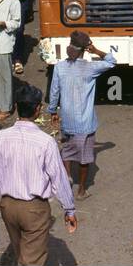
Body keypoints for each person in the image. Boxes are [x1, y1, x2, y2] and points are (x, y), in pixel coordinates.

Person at [0, 84, 77, 265]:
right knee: (32, 260)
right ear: (38, 110)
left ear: (16, 107)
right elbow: (59, 179)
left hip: (8, 207)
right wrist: (69, 209)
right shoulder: (46, 142)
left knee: (21, 253)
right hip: (34, 209)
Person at [47, 32, 117, 200]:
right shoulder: (90, 68)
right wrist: (96, 50)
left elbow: (54, 91)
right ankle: (81, 191)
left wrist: (52, 111)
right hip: (85, 123)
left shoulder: (60, 67)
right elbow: (111, 61)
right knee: (85, 158)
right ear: (85, 49)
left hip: (68, 120)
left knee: (67, 151)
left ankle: (67, 178)